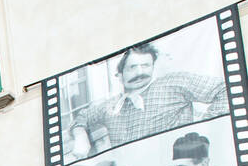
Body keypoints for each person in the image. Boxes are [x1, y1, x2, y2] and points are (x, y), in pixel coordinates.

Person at [70, 41, 228, 156]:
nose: (140, 73)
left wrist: (204, 127)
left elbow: (225, 88)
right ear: (119, 74)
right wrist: (80, 136)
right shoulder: (110, 106)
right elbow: (82, 117)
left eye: (146, 66)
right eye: (132, 68)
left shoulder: (174, 83)